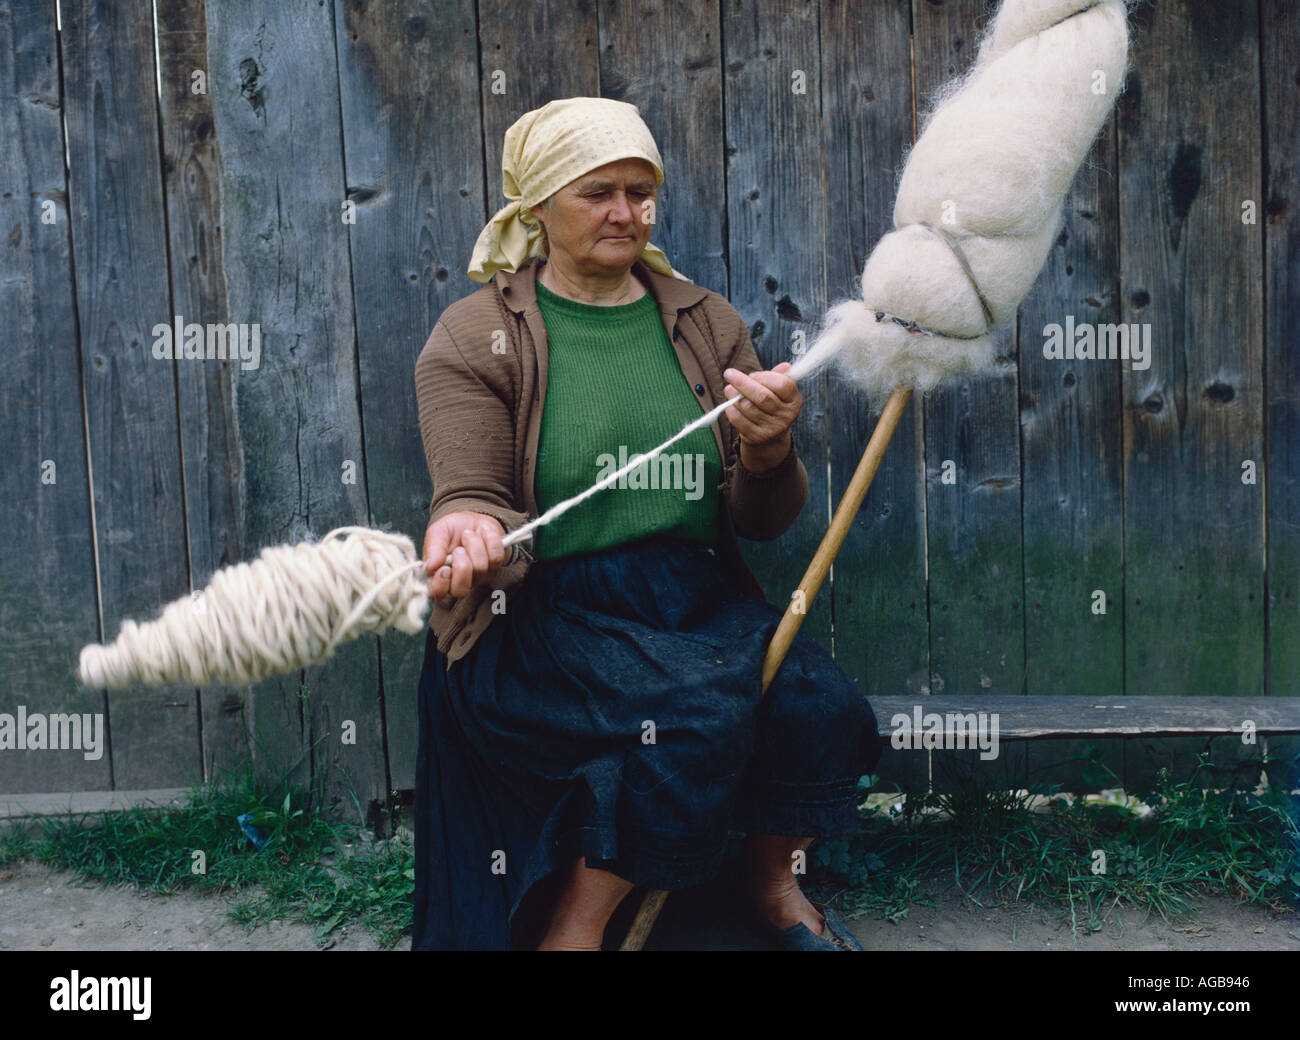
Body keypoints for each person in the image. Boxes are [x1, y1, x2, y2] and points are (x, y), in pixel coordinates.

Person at [411, 96, 883, 950]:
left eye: (641, 190)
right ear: (538, 207)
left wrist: (770, 452)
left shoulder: (707, 324)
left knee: (818, 701)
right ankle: (572, 929)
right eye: (598, 192)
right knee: (690, 722)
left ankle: (771, 880)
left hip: (686, 597)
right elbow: (469, 489)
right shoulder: (478, 335)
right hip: (545, 609)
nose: (626, 212)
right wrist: (470, 531)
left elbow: (763, 521)